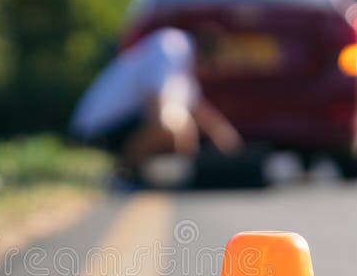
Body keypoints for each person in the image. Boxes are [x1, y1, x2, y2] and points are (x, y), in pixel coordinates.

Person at [70, 28, 243, 179]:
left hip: (121, 127)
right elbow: (159, 108)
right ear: (205, 55)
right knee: (167, 128)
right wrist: (185, 133)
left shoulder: (185, 71)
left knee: (175, 126)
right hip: (96, 132)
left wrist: (226, 138)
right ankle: (122, 174)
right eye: (213, 68)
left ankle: (135, 172)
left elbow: (199, 110)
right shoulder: (170, 46)